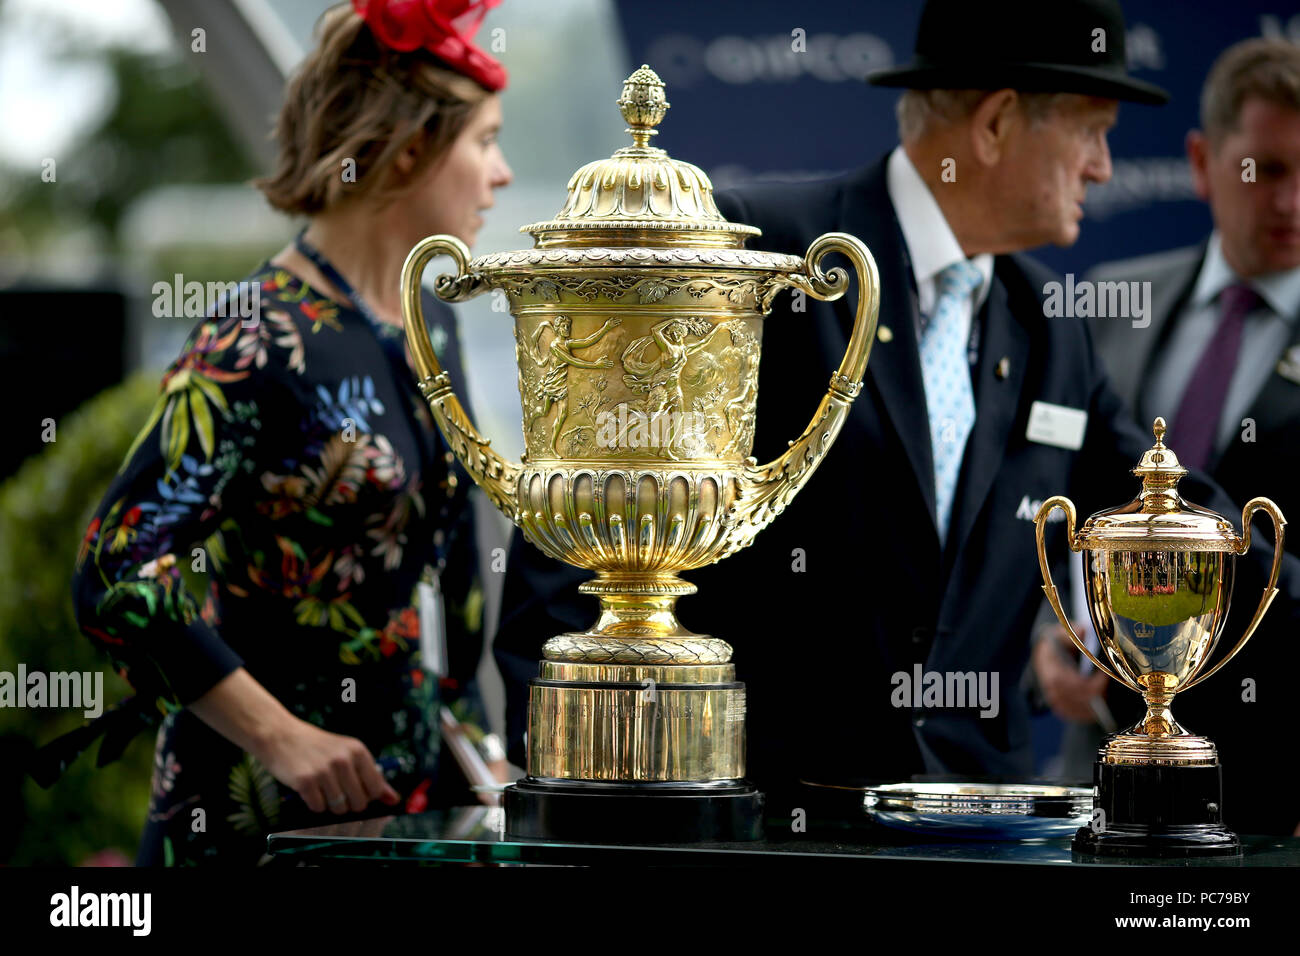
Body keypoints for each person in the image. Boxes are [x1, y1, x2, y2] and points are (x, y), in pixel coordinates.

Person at [493, 0, 1300, 818]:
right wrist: (578, 788)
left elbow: (1162, 509)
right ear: (995, 125)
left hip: (977, 830)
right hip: (747, 823)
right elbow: (592, 511)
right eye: (1091, 131)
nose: (1102, 166)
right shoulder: (762, 259)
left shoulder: (1051, 326)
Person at [32, 0, 513, 865]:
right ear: (411, 150)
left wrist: (472, 744)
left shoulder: (427, 317)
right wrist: (282, 736)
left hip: (407, 809)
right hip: (255, 821)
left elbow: (442, 575)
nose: (502, 173)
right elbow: (114, 569)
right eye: (485, 141)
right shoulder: (257, 337)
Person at [1033, 37, 1300, 834]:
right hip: (1101, 778)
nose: (1289, 201)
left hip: (1279, 794)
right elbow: (1053, 500)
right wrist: (1054, 636)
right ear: (1201, 160)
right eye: (1268, 170)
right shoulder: (1107, 304)